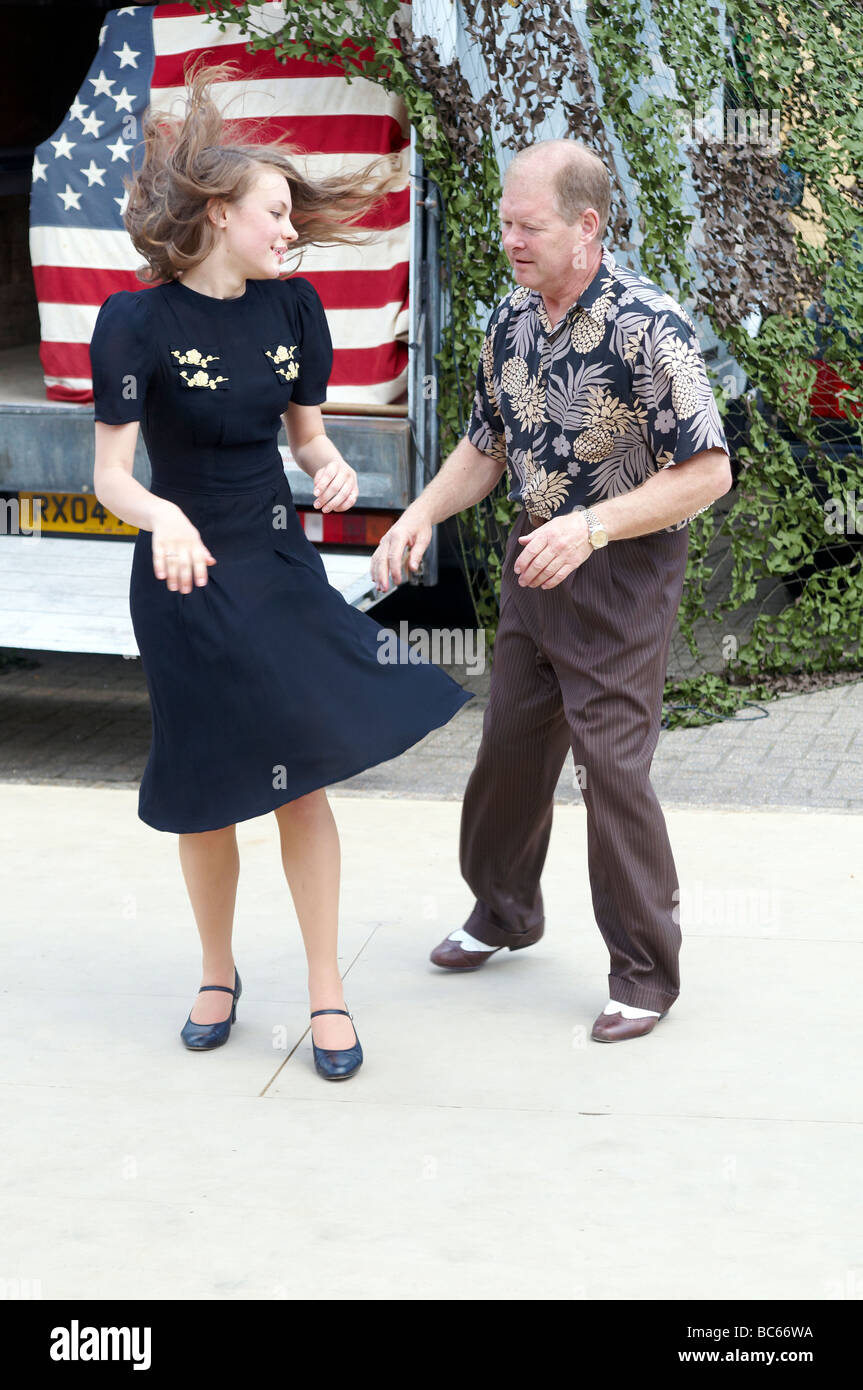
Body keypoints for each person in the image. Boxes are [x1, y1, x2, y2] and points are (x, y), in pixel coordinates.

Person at [89, 60, 472, 1080]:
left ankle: (325, 989)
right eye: (275, 213)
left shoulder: (292, 311)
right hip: (179, 580)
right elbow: (112, 479)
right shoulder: (135, 324)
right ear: (218, 212)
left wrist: (331, 460)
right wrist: (163, 517)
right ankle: (216, 972)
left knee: (301, 771)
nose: (291, 229)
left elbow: (304, 437)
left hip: (273, 561)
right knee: (208, 785)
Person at [371, 139, 732, 1043]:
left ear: (586, 226)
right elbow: (486, 446)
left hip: (619, 571)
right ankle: (503, 911)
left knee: (611, 769)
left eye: (526, 226)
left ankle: (645, 972)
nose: (510, 241)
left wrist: (591, 527)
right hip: (536, 560)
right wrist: (420, 511)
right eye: (504, 222)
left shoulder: (651, 326)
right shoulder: (510, 319)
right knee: (507, 753)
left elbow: (709, 473)